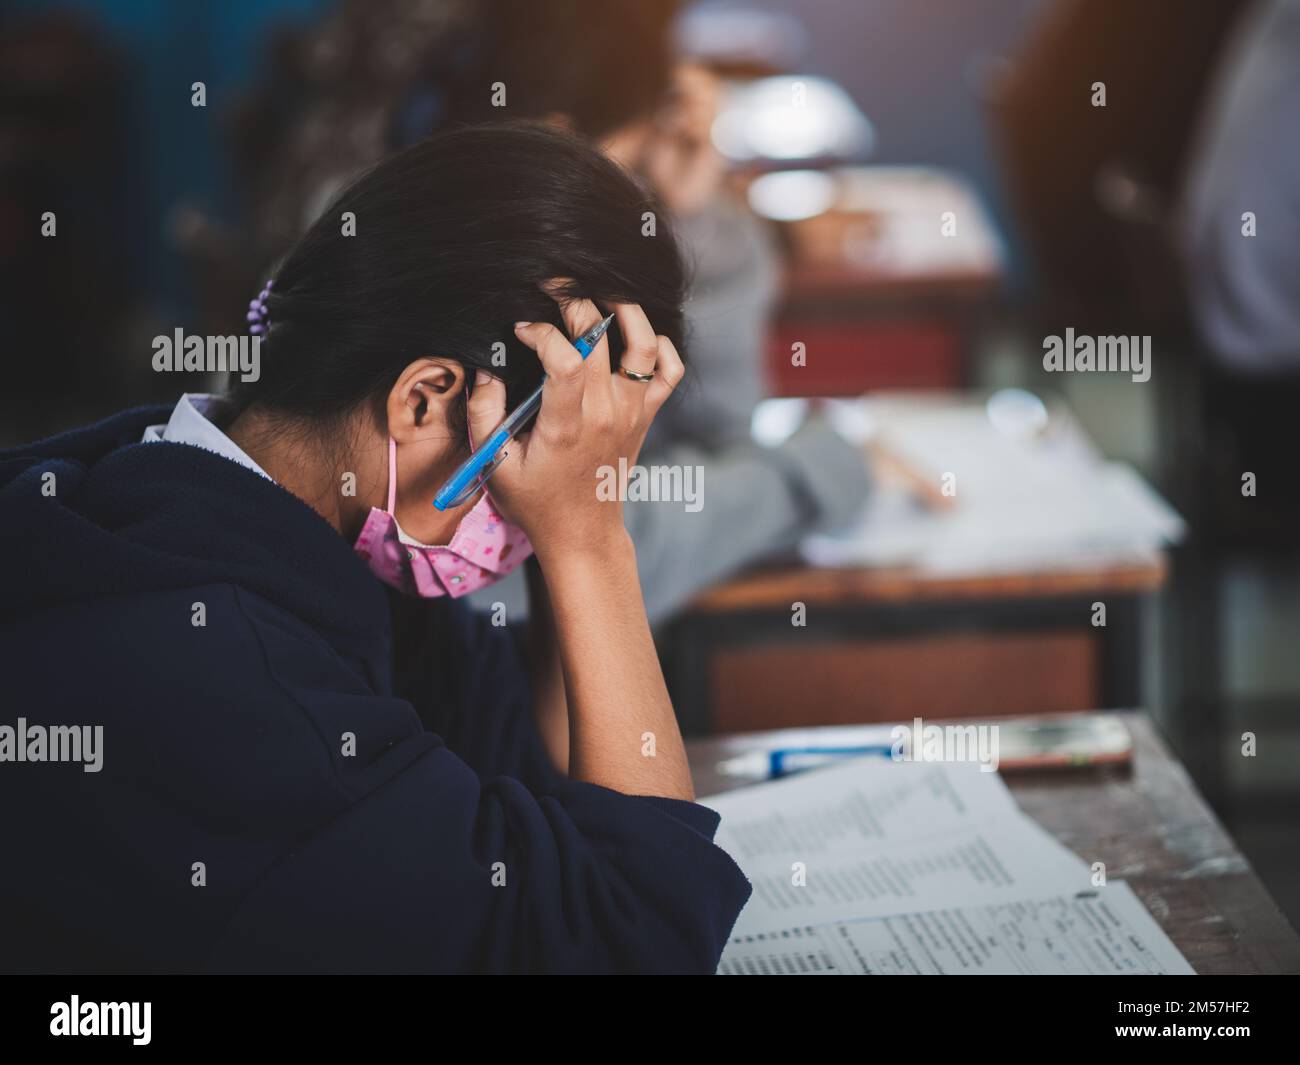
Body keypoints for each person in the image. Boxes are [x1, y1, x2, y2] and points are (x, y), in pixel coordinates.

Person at [0, 123, 750, 973]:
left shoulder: (178, 490)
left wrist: (561, 515)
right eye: (552, 452)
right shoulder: (227, 681)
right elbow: (638, 936)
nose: (541, 500)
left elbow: (540, 782)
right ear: (426, 400)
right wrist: (590, 537)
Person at [218, 0, 871, 625]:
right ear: (556, 144)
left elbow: (707, 440)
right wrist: (818, 471)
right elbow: (600, 521)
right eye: (635, 165)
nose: (637, 199)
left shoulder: (404, 209)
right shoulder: (454, 312)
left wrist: (689, 217)